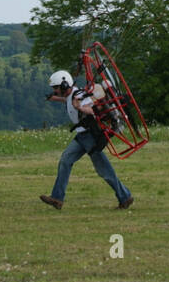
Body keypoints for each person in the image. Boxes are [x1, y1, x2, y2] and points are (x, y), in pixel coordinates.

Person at [40, 69, 134, 212]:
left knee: (104, 170)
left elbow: (93, 111)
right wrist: (56, 98)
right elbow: (68, 100)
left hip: (90, 137)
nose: (55, 90)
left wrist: (80, 107)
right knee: (65, 160)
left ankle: (125, 197)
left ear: (64, 85)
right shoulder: (72, 95)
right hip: (82, 136)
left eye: (56, 88)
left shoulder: (79, 95)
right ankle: (57, 198)